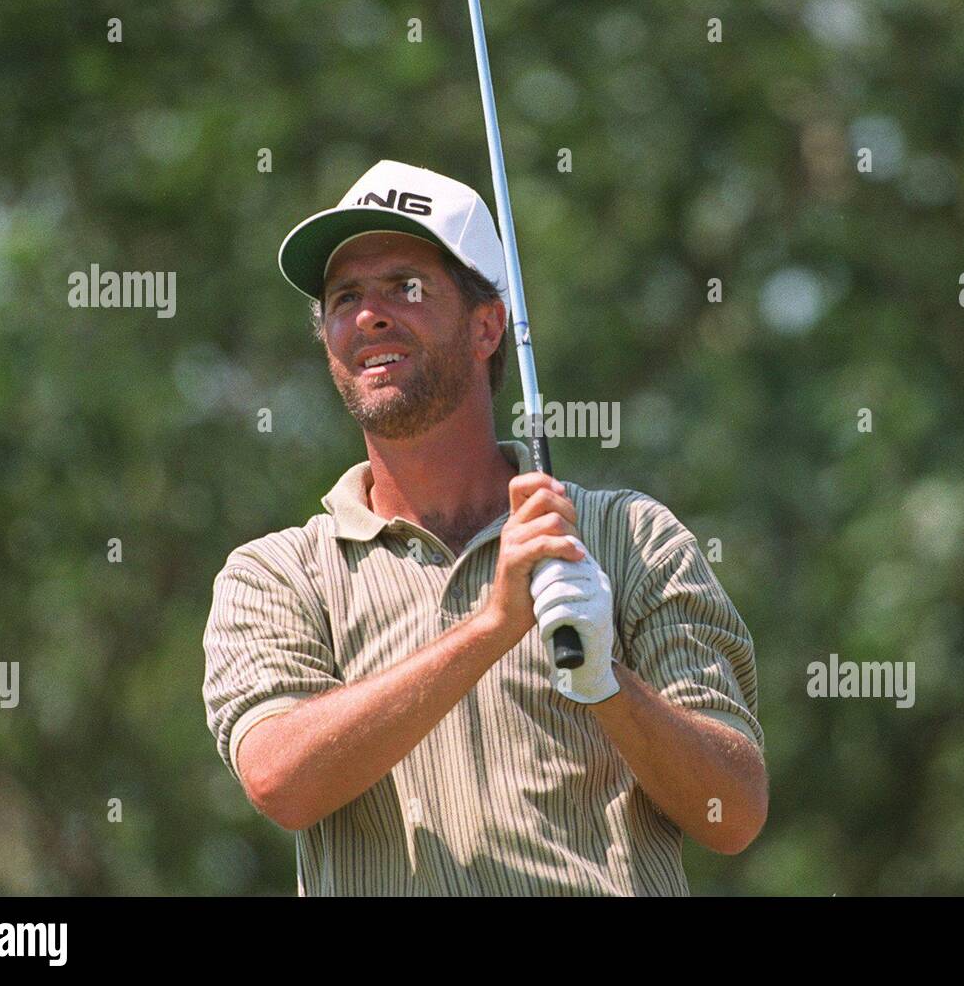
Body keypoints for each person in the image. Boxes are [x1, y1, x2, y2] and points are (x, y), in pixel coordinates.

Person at [202, 159, 767, 895]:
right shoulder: (276, 573)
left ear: (486, 325)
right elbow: (281, 781)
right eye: (345, 297)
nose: (369, 314)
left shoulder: (630, 537)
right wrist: (491, 627)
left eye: (406, 286)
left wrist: (608, 685)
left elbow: (733, 812)